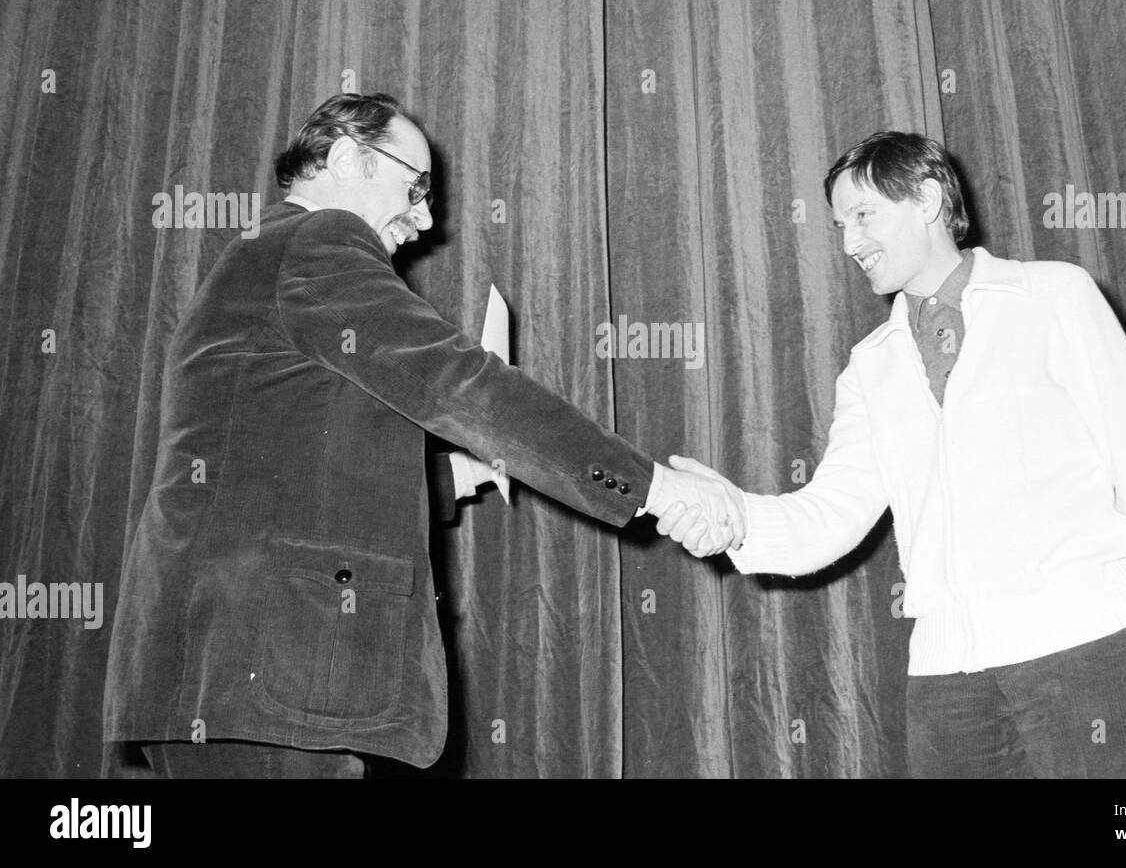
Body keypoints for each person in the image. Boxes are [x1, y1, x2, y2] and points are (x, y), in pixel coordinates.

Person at [104, 92, 742, 778]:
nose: (426, 217)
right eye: (415, 187)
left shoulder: (264, 258)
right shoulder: (318, 242)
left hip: (230, 674)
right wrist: (655, 489)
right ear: (348, 158)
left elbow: (277, 459)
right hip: (268, 667)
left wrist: (456, 477)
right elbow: (460, 385)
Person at [658, 131, 1126, 777]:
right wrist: (735, 516)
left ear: (929, 199)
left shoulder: (1054, 296)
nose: (850, 242)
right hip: (945, 691)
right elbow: (829, 516)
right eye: (839, 225)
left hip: (1090, 655)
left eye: (863, 216)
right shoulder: (867, 368)